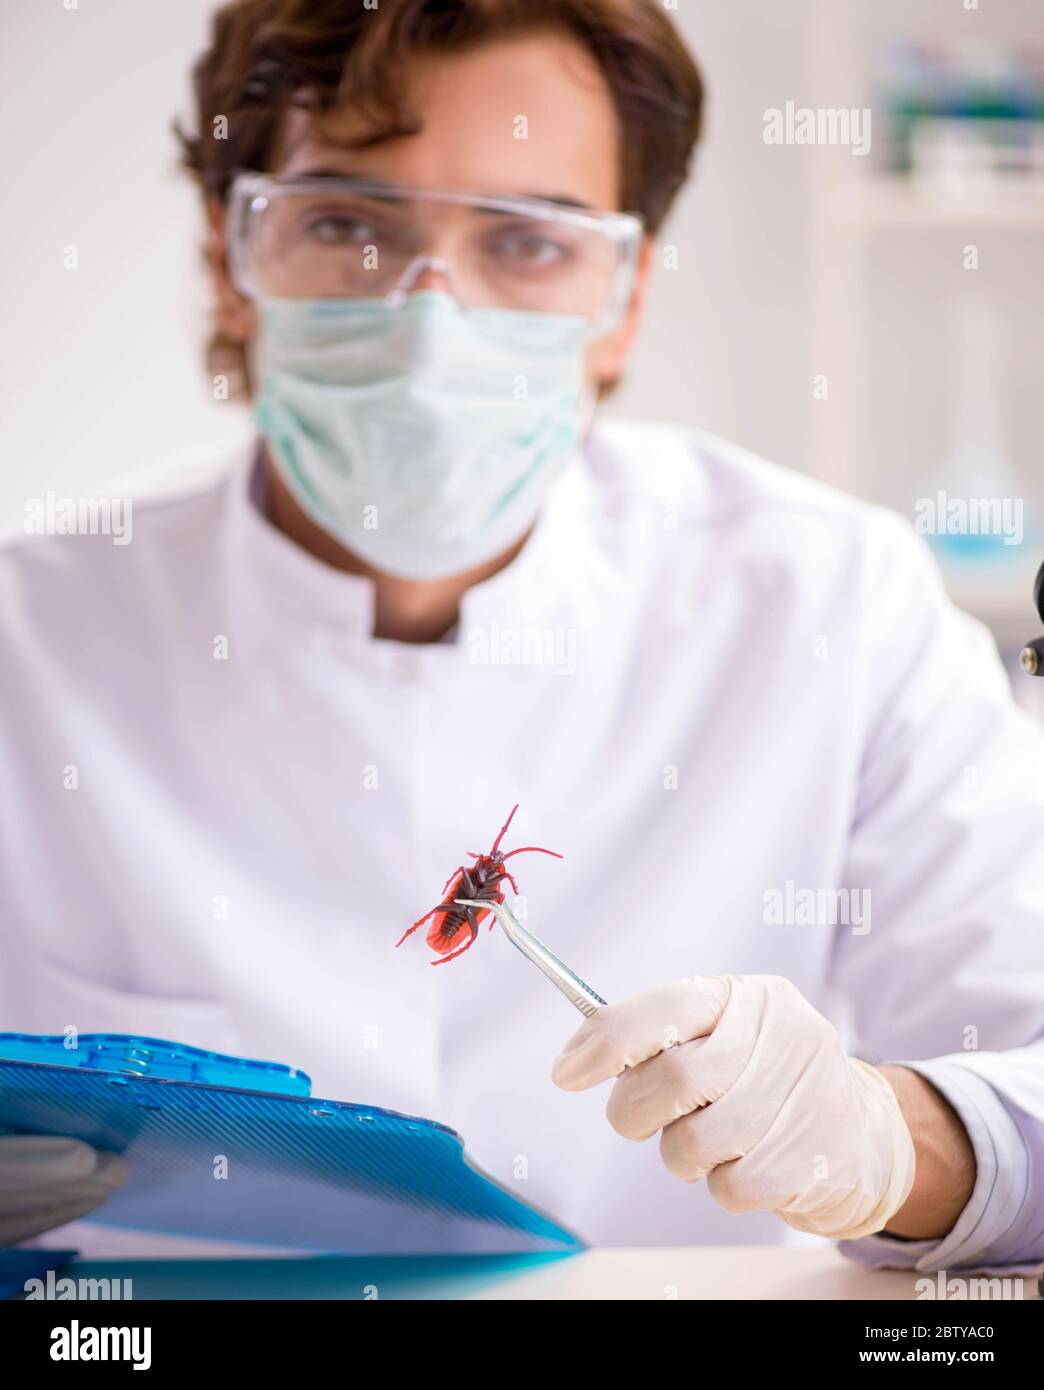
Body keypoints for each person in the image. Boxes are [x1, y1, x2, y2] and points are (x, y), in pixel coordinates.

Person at [2, 0, 1043, 1271]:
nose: (432, 316)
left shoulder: (837, 603)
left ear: (628, 293)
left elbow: (1031, 1089)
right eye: (345, 221)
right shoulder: (28, 634)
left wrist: (886, 1141)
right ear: (231, 255)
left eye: (529, 240)